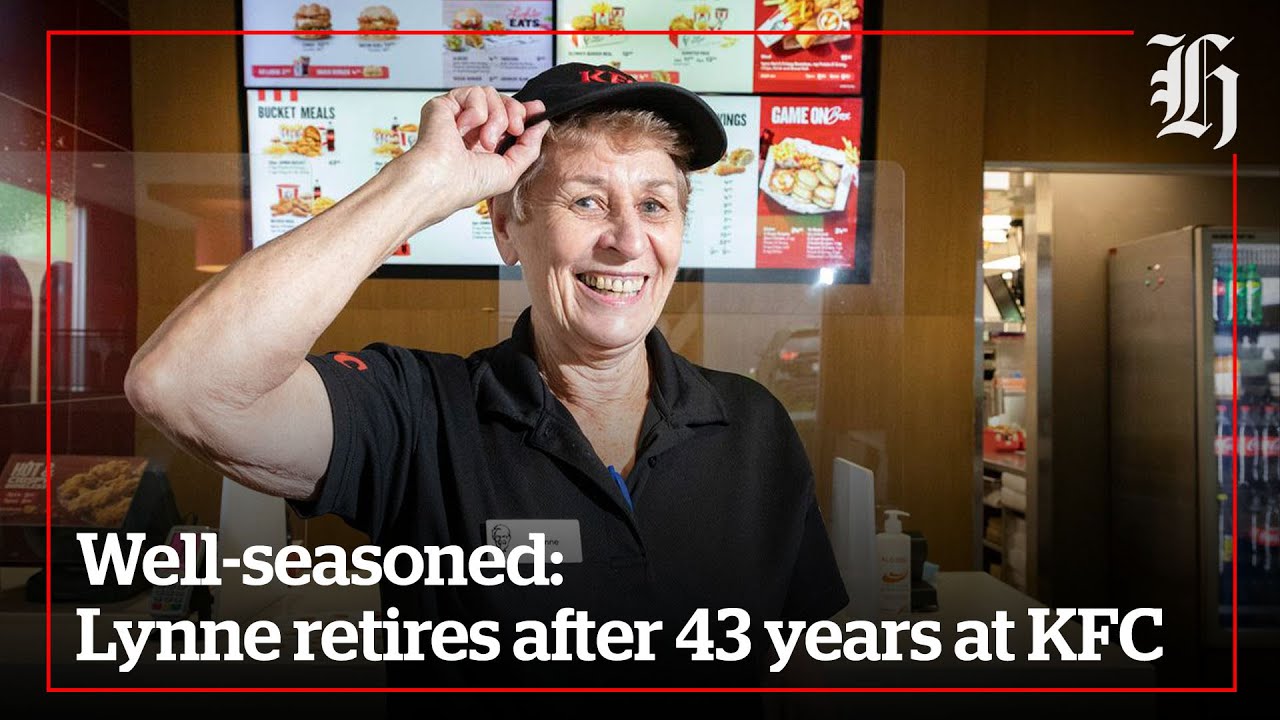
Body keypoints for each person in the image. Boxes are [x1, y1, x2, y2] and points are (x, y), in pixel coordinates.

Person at [125, 63, 847, 692]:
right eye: (587, 200)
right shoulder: (417, 415)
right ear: (505, 226)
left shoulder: (753, 423)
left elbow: (795, 669)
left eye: (654, 204)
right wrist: (419, 182)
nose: (628, 240)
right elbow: (184, 384)